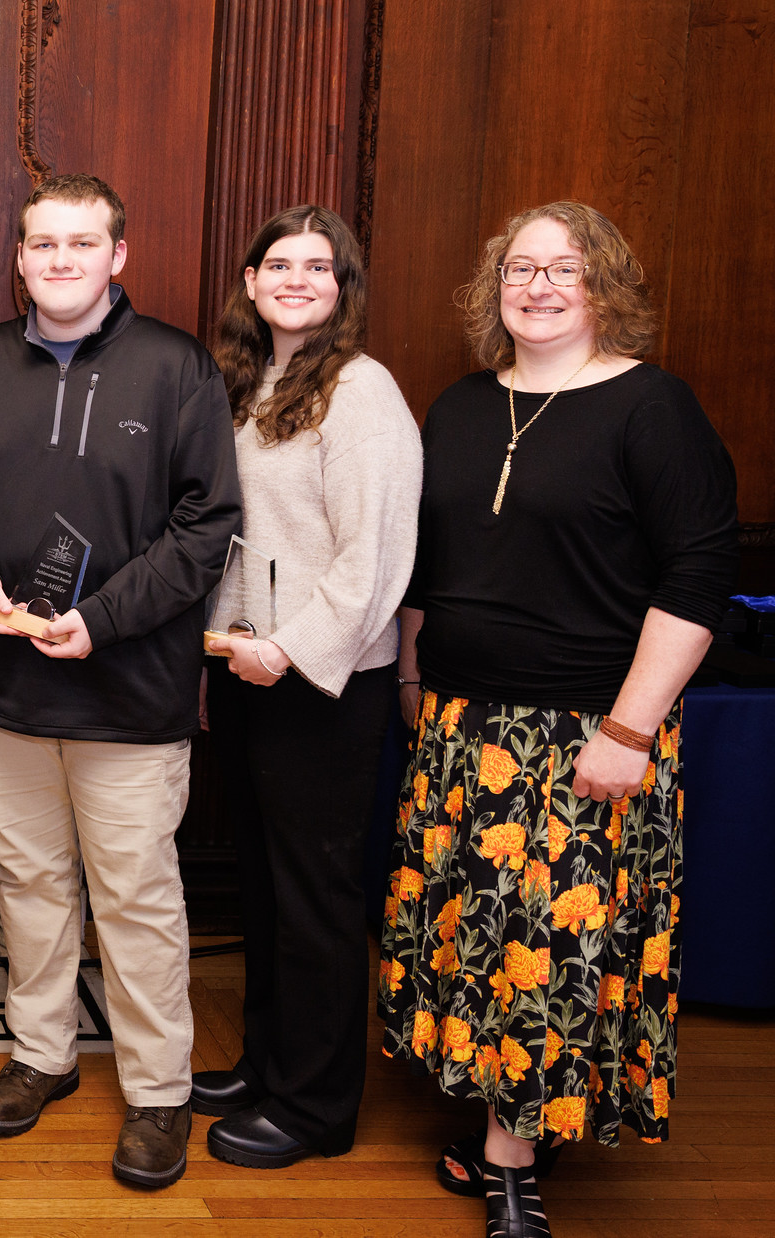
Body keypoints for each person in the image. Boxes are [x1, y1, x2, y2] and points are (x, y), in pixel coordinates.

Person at [380, 202, 736, 1238]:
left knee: (551, 945)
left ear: (603, 285)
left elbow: (697, 576)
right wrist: (413, 676)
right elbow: (428, 565)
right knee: (476, 939)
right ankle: (504, 1120)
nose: (536, 287)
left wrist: (628, 732)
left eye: (563, 269)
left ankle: (510, 1163)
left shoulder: (651, 407)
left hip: (585, 734)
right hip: (459, 726)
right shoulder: (458, 406)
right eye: (518, 269)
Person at [0, 173, 241, 1188]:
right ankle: (42, 1053)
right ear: (18, 259)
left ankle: (157, 1091)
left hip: (128, 691)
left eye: (81, 242)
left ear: (117, 255)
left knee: (135, 896)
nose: (60, 260)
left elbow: (206, 527)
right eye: (42, 244)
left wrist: (100, 620)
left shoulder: (176, 367)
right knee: (29, 883)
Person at [191, 206, 421, 1168]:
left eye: (317, 267)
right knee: (267, 890)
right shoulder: (250, 385)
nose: (295, 279)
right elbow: (233, 538)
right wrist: (219, 662)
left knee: (317, 899)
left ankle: (317, 1108)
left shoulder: (361, 391)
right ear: (250, 283)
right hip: (246, 670)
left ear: (341, 287)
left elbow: (373, 563)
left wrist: (286, 653)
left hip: (320, 683)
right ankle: (269, 1066)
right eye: (278, 264)